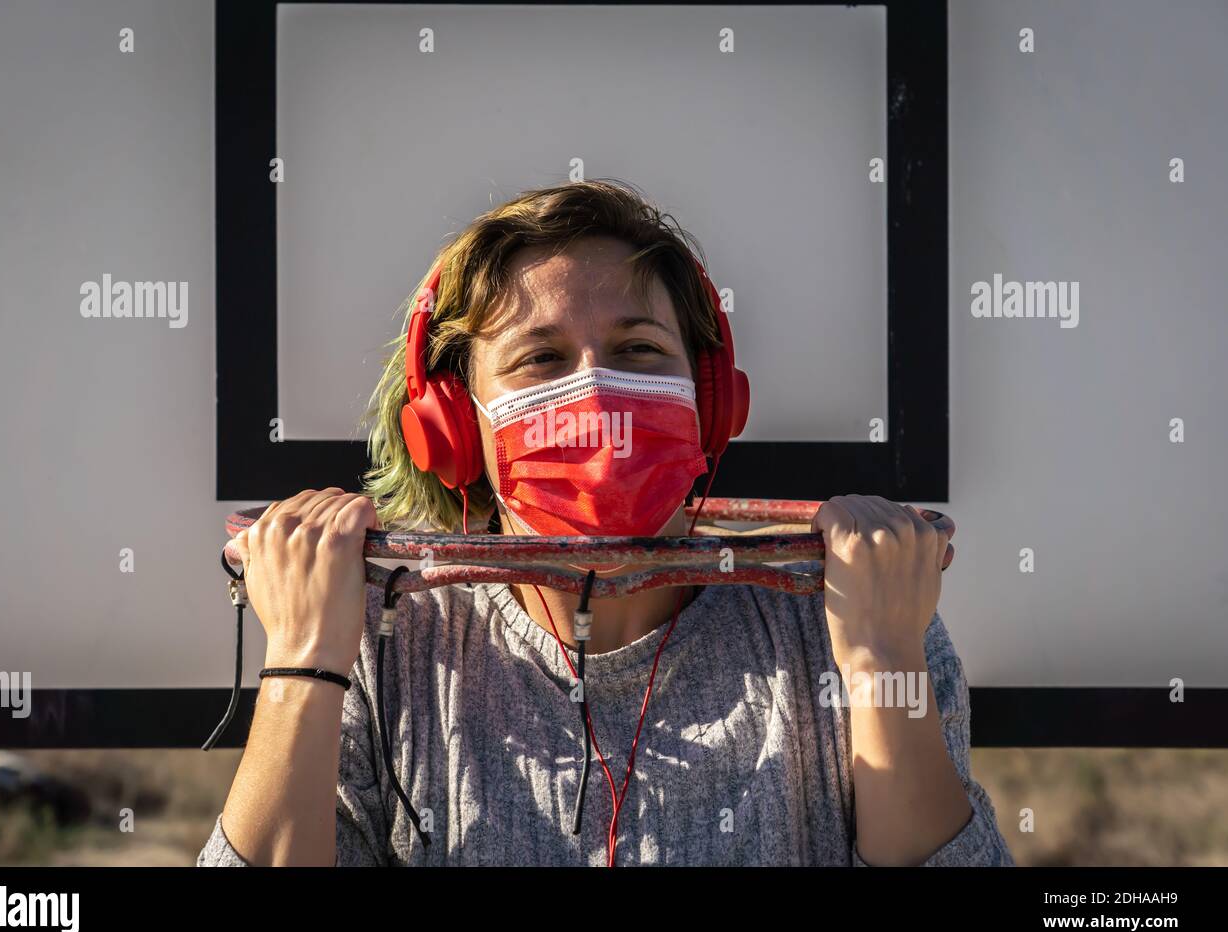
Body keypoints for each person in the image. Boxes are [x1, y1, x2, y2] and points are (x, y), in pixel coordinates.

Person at [197, 179, 1013, 867]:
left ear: (711, 400)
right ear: (452, 424)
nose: (595, 394)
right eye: (541, 358)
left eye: (640, 350)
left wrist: (880, 660)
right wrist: (304, 661)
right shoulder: (382, 639)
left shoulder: (839, 614)